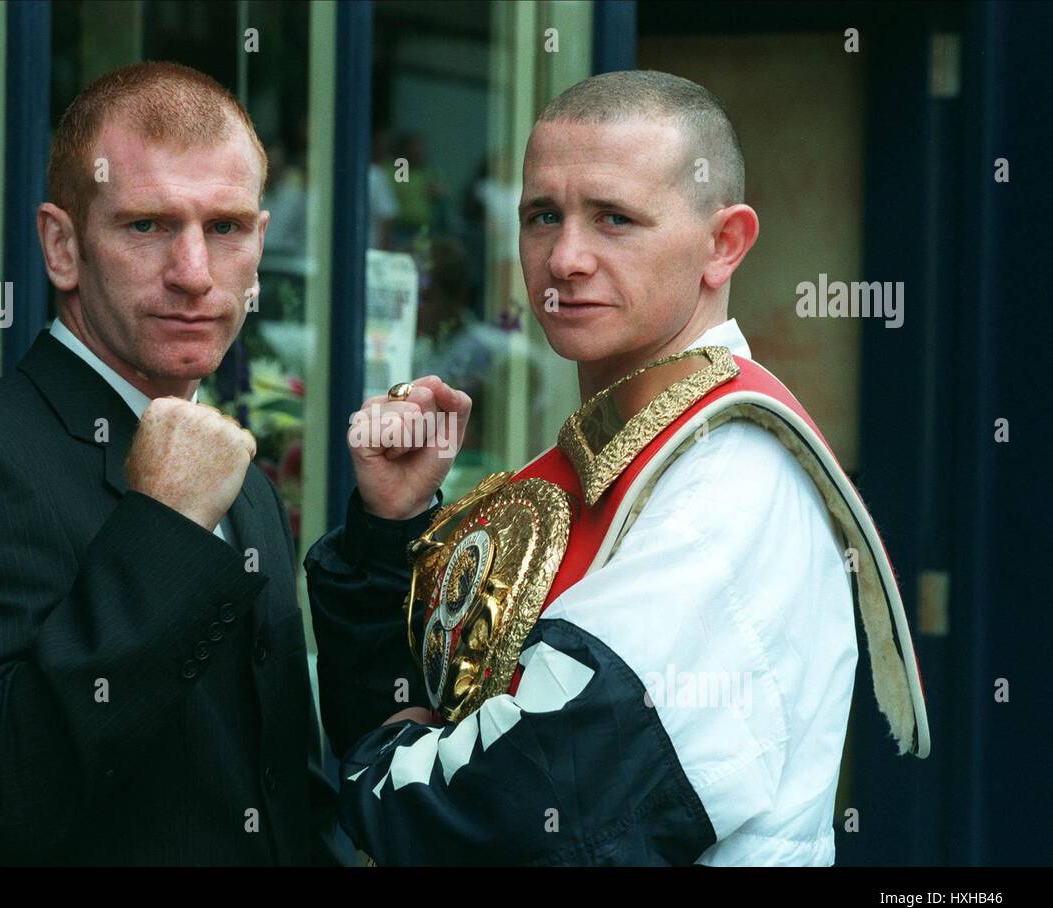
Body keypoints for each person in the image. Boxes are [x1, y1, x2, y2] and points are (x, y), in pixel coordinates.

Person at [304, 70, 929, 866]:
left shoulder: (730, 484)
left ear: (723, 243)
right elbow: (432, 715)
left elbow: (525, 816)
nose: (566, 258)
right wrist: (391, 530)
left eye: (614, 219)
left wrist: (370, 770)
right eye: (542, 216)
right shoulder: (629, 441)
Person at [0, 62, 341, 865]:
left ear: (260, 245)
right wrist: (161, 526)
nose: (193, 273)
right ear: (63, 245)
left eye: (224, 228)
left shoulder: (237, 475)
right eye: (147, 226)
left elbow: (274, 780)